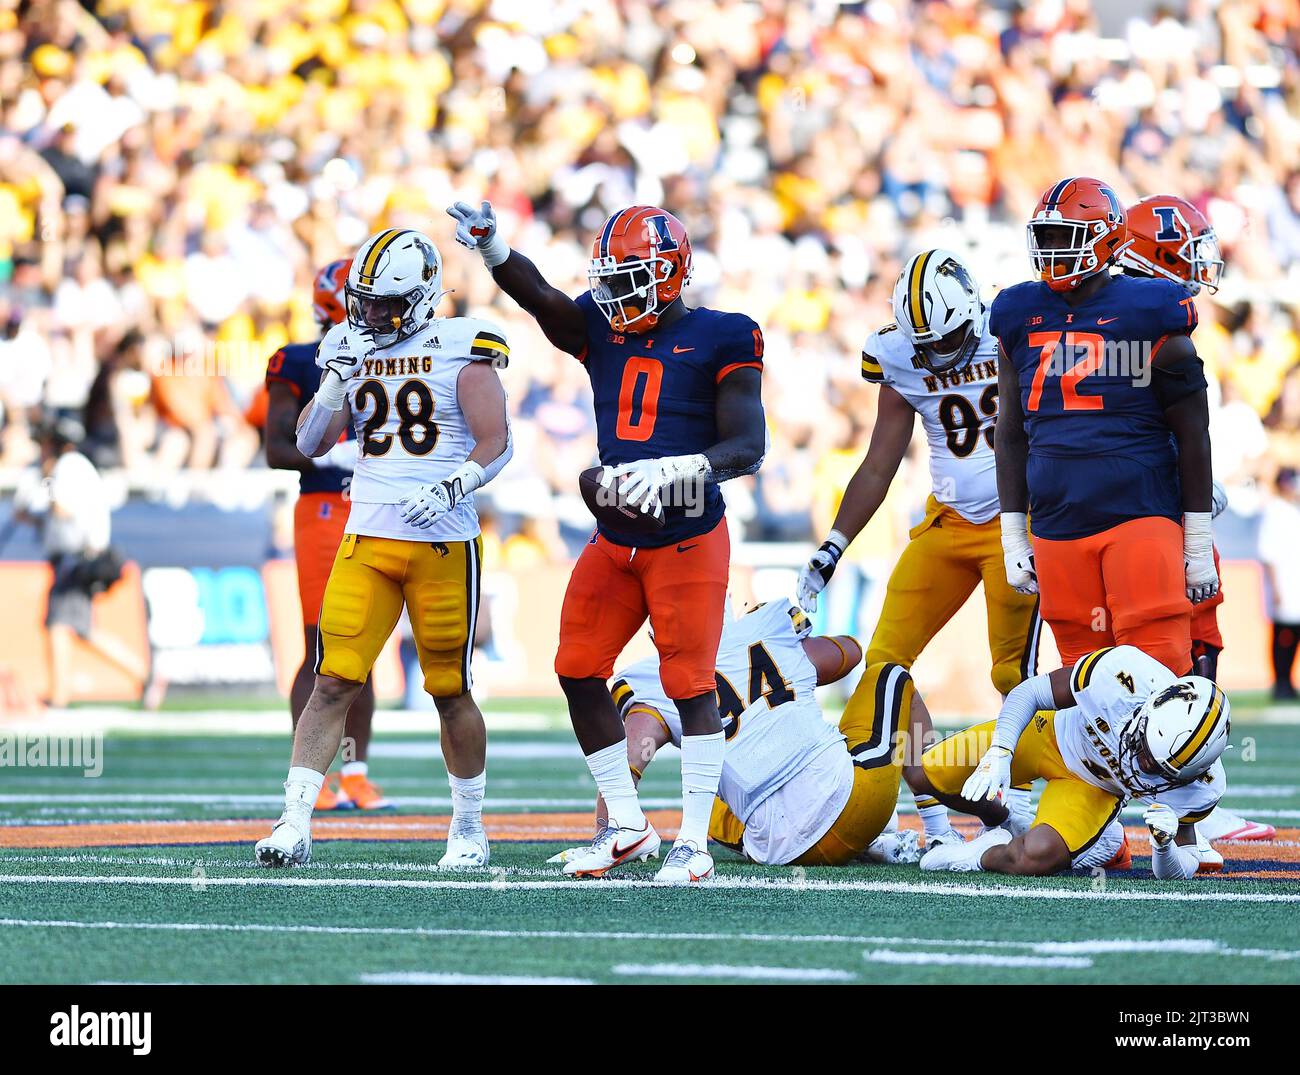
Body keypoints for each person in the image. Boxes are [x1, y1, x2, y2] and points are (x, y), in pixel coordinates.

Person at [448, 200, 766, 883]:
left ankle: (693, 843)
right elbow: (543, 299)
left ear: (673, 275)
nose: (614, 294)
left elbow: (749, 443)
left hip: (687, 534)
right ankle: (628, 826)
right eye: (610, 277)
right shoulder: (600, 326)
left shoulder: (726, 335)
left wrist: (681, 467)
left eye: (632, 277)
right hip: (615, 536)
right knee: (576, 667)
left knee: (689, 685)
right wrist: (495, 247)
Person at [255, 228, 513, 868]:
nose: (370, 313)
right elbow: (310, 443)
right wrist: (337, 380)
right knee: (331, 680)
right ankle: (293, 822)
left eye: (383, 301)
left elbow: (498, 440)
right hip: (366, 536)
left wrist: (457, 483)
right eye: (363, 300)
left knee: (451, 690)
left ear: (424, 295)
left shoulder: (463, 342)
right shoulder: (349, 345)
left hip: (443, 542)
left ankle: (469, 826)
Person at [797, 248, 1042, 846]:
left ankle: (1035, 810)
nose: (936, 354)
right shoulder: (895, 352)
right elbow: (880, 461)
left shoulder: (1012, 326)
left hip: (1018, 524)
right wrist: (833, 545)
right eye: (923, 344)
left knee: (1014, 675)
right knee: (884, 667)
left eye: (947, 338)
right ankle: (934, 821)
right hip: (946, 524)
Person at [993, 176, 1216, 676]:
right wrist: (1013, 532)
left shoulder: (1150, 308)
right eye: (1045, 237)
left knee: (1160, 669)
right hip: (1056, 522)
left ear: (1107, 237)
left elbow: (1193, 431)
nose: (1051, 250)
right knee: (1086, 679)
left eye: (1064, 235)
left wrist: (1196, 536)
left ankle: (1190, 757)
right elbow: (1010, 432)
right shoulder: (1016, 310)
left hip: (1138, 512)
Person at [552, 600, 932, 868]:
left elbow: (626, 768)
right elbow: (849, 654)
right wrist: (785, 645)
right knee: (891, 674)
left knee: (714, 807)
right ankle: (938, 831)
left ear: (656, 633)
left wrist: (604, 835)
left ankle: (872, 845)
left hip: (778, 850)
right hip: (853, 806)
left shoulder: (648, 681)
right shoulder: (764, 627)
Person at [916, 644, 1230, 880]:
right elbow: (1030, 692)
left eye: (1157, 767)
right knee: (927, 773)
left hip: (1095, 788)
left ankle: (978, 855)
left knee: (1035, 857)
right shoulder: (1121, 676)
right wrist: (1000, 751)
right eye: (1143, 746)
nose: (1142, 763)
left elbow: (1186, 859)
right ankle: (1005, 822)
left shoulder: (1202, 786)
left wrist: (1163, 848)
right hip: (1052, 731)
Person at [263, 258, 384, 812]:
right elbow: (277, 448)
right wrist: (338, 452)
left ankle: (355, 771)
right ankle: (315, 776)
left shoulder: (395, 355)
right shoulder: (297, 360)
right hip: (323, 509)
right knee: (320, 646)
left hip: (378, 506)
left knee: (364, 649)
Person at [13, 414, 146, 707]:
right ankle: (143, 674)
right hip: (78, 555)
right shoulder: (75, 467)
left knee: (58, 625)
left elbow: (62, 509)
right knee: (82, 630)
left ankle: (59, 697)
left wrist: (42, 486)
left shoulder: (66, 469)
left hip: (76, 558)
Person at [1260, 466, 1300, 702]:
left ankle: (1289, 681)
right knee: (1282, 634)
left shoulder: (1295, 510)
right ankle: (1281, 681)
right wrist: (1275, 588)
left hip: (1295, 583)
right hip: (1284, 585)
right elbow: (1269, 553)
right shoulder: (1274, 511)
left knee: (1295, 634)